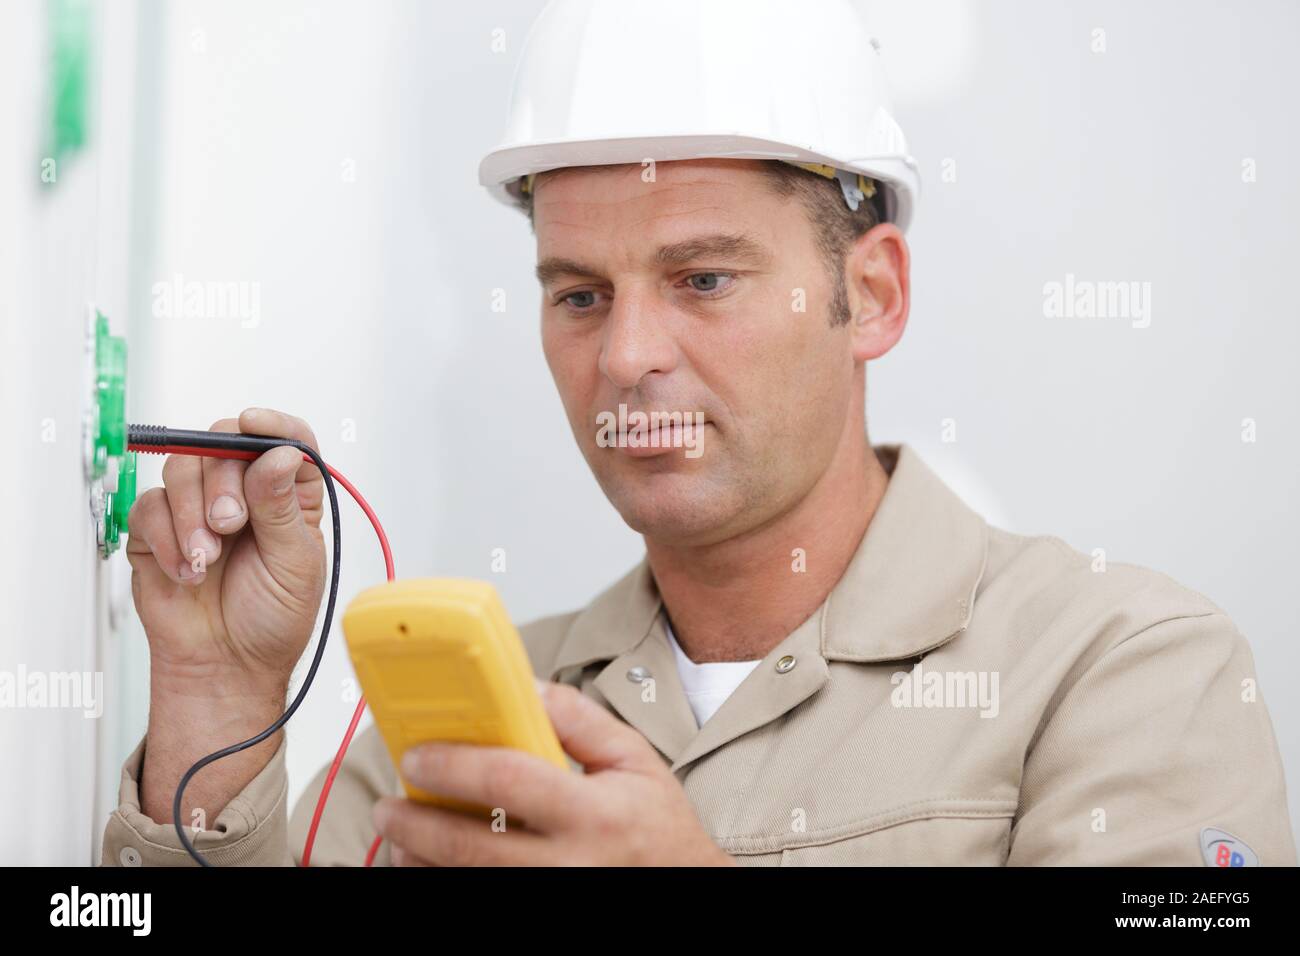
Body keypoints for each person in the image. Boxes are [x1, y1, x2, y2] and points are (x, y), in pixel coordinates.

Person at [102, 0, 1295, 866]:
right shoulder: (468, 731)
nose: (624, 356)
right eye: (577, 292)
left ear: (870, 294)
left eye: (704, 278)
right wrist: (215, 694)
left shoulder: (1130, 668)